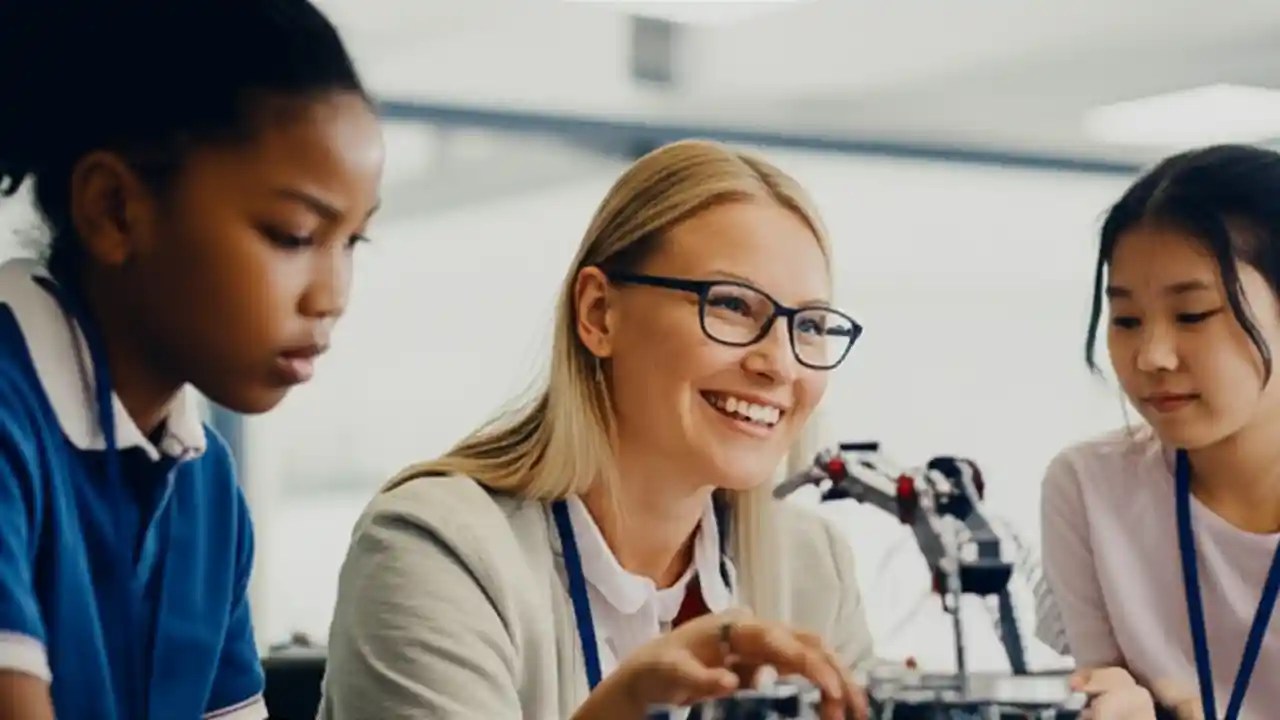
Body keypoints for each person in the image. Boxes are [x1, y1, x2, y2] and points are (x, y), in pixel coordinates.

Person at [318, 139, 874, 720]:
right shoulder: (438, 550)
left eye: (808, 325)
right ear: (598, 313)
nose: (780, 363)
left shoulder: (814, 567)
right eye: (732, 304)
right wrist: (625, 705)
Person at [0, 1, 383, 718]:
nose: (333, 296)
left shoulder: (203, 484)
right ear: (115, 209)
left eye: (353, 241)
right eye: (295, 234)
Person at [1040, 144, 1280, 720]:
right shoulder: (1091, 488)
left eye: (1193, 314)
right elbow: (1101, 695)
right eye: (1125, 320)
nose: (1151, 356)